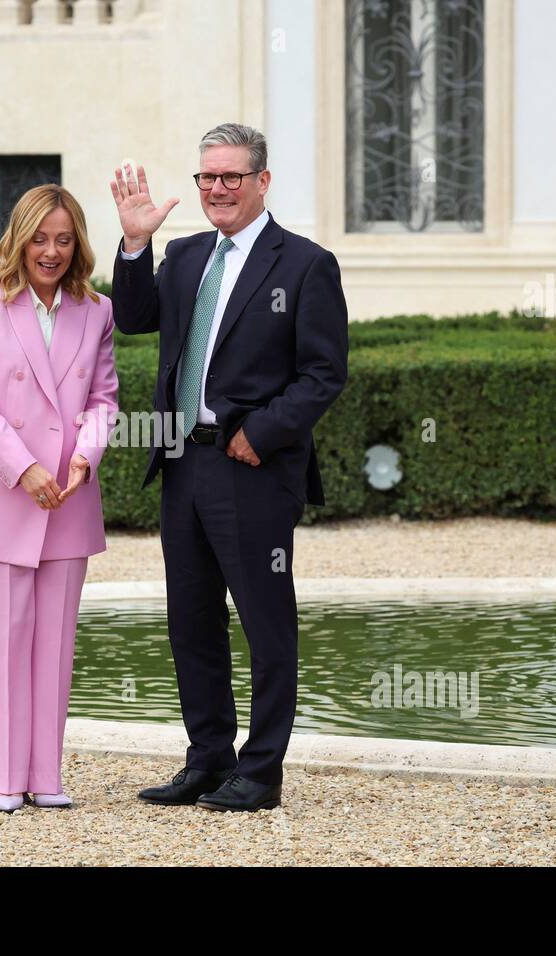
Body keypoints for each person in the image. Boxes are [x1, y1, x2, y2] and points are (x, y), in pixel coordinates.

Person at [109, 122, 348, 811]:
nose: (218, 188)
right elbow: (133, 318)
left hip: (253, 470)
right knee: (192, 621)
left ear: (262, 182)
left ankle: (261, 772)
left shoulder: (304, 265)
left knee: (265, 623)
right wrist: (133, 243)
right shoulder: (183, 257)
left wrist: (261, 433)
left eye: (231, 177)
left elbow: (324, 373)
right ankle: (207, 759)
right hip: (184, 465)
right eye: (208, 177)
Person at [0, 184, 118, 813]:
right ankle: (5, 780)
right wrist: (26, 467)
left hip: (68, 493)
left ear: (78, 244)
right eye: (40, 237)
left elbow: (104, 399)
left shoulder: (96, 310)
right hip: (1, 493)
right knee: (5, 638)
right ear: (19, 238)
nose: (52, 251)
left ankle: (47, 777)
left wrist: (87, 454)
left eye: (64, 239)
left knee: (55, 642)